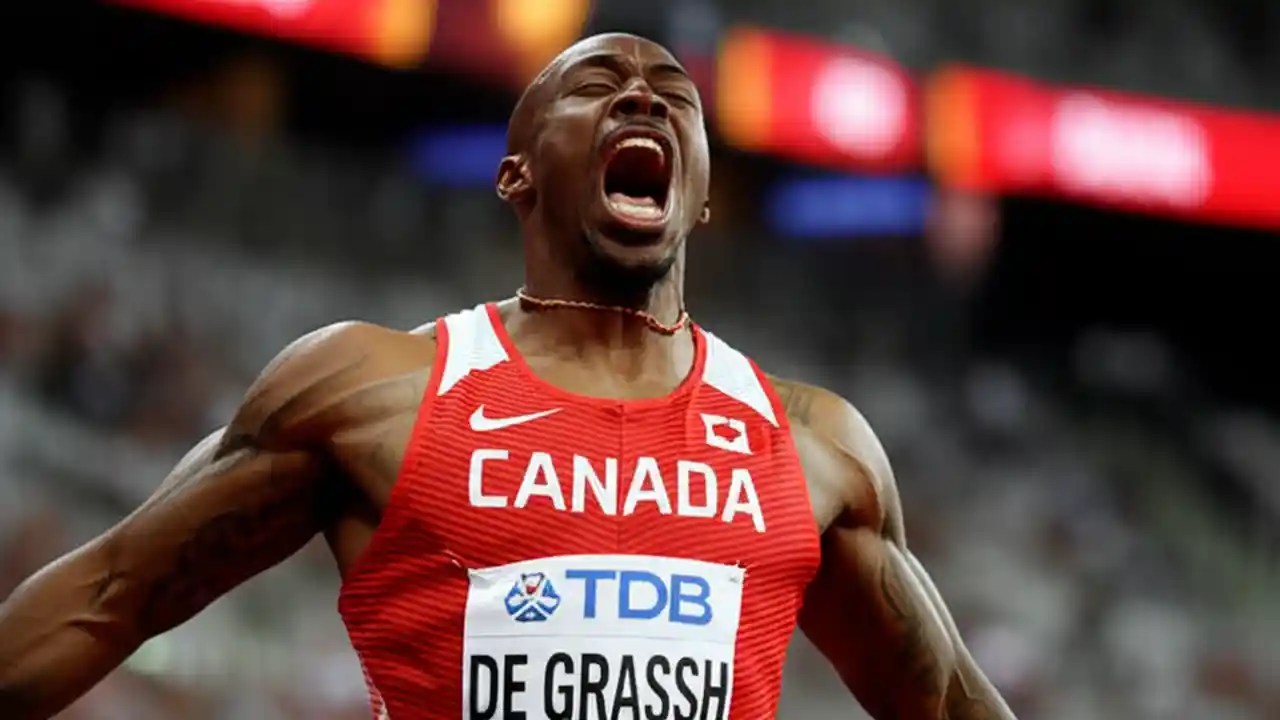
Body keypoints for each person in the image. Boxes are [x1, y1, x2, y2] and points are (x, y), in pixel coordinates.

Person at [0, 33, 1015, 720]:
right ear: (515, 176)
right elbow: (109, 595)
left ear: (700, 196)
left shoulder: (813, 447)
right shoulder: (372, 394)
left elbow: (947, 701)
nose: (638, 97)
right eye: (592, 88)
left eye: (674, 98)